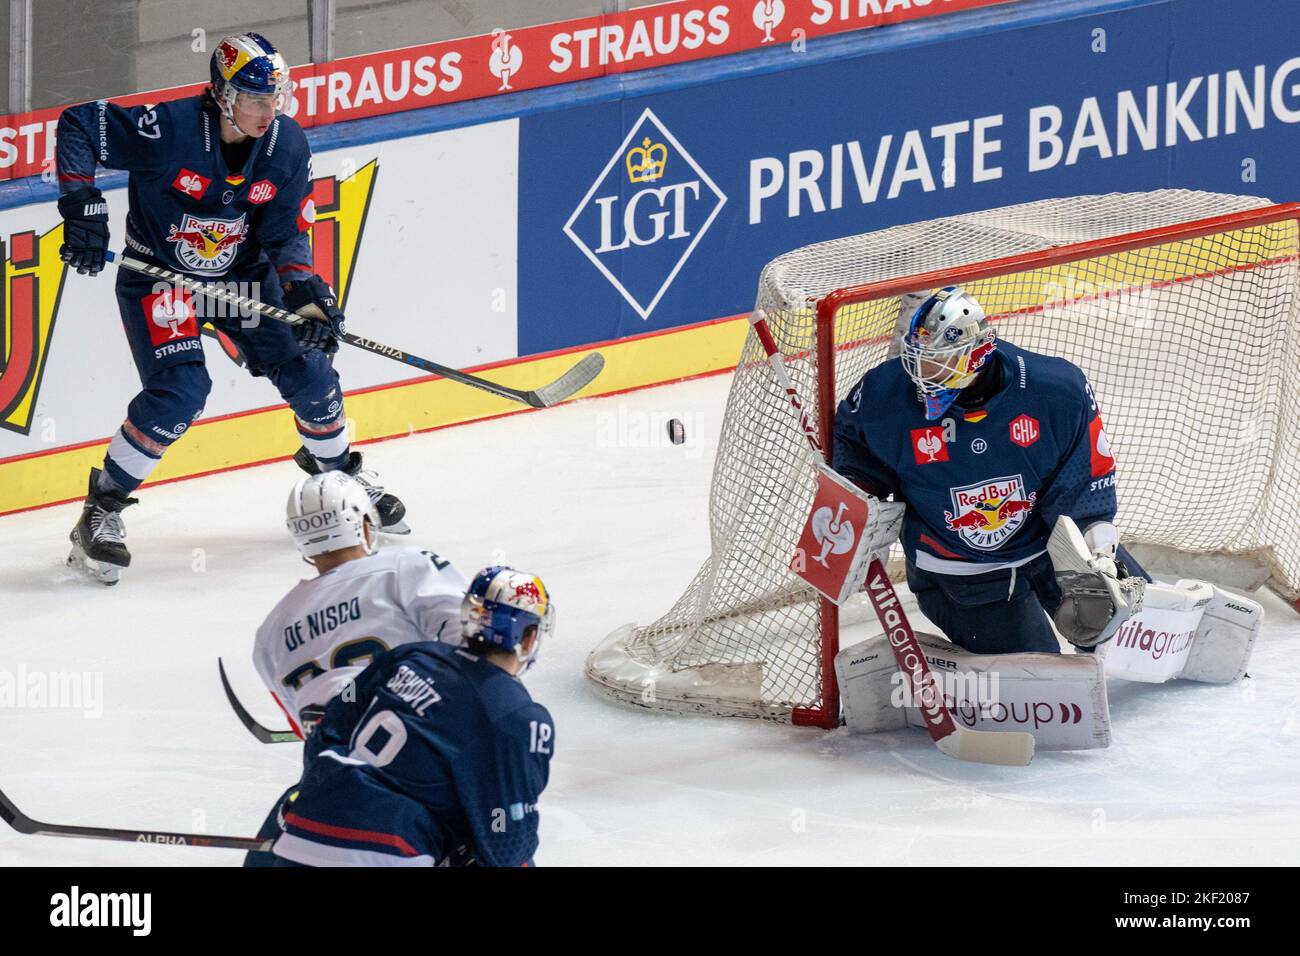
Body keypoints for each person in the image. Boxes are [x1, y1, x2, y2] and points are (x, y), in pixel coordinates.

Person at [55, 33, 406, 585]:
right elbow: (78, 123)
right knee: (181, 392)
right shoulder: (168, 129)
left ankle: (336, 475)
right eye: (255, 97)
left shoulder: (286, 145)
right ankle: (100, 512)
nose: (271, 110)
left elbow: (285, 228)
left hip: (242, 280)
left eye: (277, 97)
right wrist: (82, 205)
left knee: (312, 374)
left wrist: (304, 290)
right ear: (223, 95)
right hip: (161, 279)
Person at [832, 286, 1146, 655]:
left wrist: (1101, 555)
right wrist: (858, 511)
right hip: (960, 573)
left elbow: (1085, 483)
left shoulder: (1056, 390)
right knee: (1038, 678)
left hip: (1048, 547)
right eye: (917, 360)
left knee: (1141, 634)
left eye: (938, 363)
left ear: (976, 355)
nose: (921, 375)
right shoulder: (884, 395)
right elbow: (853, 449)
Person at [268, 564, 556, 867]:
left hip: (306, 830)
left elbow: (328, 728)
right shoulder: (517, 715)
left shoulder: (408, 656)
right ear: (528, 637)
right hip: (391, 850)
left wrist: (316, 790)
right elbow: (507, 842)